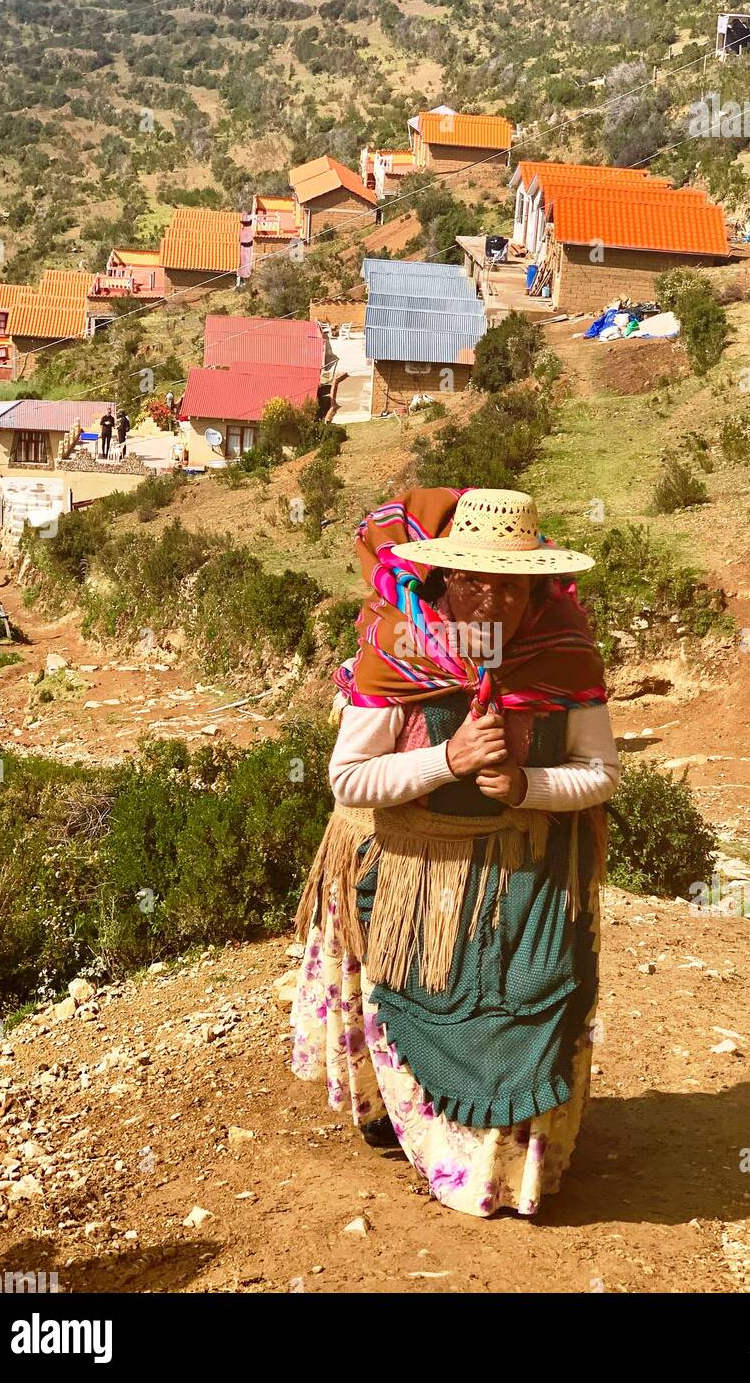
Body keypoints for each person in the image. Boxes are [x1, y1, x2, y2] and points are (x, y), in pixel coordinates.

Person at [289, 487, 619, 1218]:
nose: (494, 603)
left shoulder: (562, 655)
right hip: (416, 872)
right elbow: (349, 779)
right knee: (424, 1002)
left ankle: (512, 1173)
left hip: (528, 865)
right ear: (445, 579)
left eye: (512, 587)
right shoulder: (395, 652)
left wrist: (525, 784)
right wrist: (450, 758)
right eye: (476, 583)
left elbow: (599, 773)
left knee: (532, 1006)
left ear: (537, 588)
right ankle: (432, 1151)